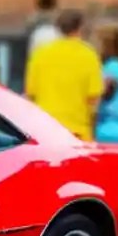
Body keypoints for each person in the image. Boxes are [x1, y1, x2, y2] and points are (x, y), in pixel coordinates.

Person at [24, 9, 104, 140]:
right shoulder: (89, 55)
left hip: (45, 128)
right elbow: (93, 97)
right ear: (81, 28)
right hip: (77, 131)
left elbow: (31, 93)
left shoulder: (40, 54)